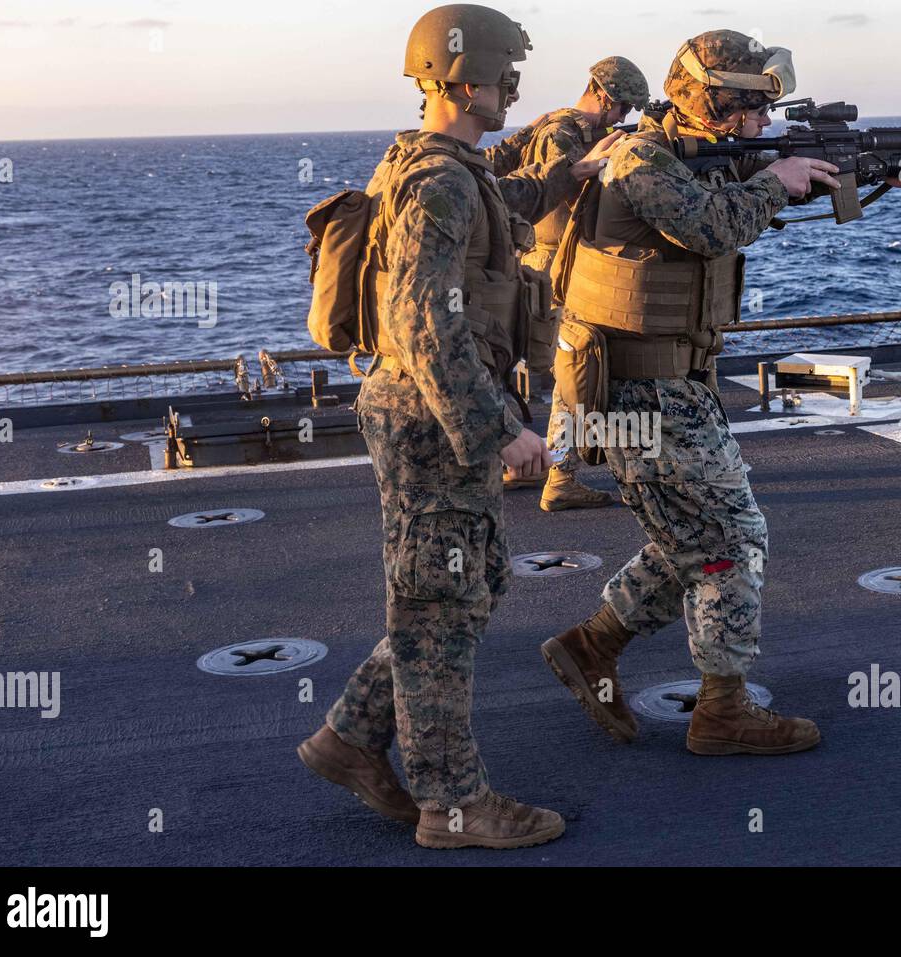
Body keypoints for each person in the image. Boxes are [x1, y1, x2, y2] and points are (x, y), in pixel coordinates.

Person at [541, 30, 901, 754]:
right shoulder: (640, 157)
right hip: (640, 387)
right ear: (706, 100)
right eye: (749, 109)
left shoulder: (698, 156)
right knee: (731, 539)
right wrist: (774, 178)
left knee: (688, 539)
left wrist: (883, 178)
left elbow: (768, 207)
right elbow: (709, 226)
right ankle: (722, 711)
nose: (762, 125)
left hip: (670, 383)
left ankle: (591, 646)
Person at [297, 2, 621, 850]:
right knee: (440, 608)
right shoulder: (439, 180)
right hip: (432, 417)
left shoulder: (439, 166)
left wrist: (576, 171)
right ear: (468, 78)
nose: (515, 90)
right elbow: (422, 322)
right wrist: (497, 428)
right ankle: (454, 806)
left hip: (427, 408)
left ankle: (348, 737)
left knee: (459, 590)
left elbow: (505, 201)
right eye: (508, 76)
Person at [484, 56, 651, 511]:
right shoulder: (569, 133)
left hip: (543, 261)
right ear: (601, 93)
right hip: (559, 266)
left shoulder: (557, 125)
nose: (623, 118)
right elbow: (560, 184)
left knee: (551, 365)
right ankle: (560, 476)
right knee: (575, 368)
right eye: (621, 107)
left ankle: (524, 464)